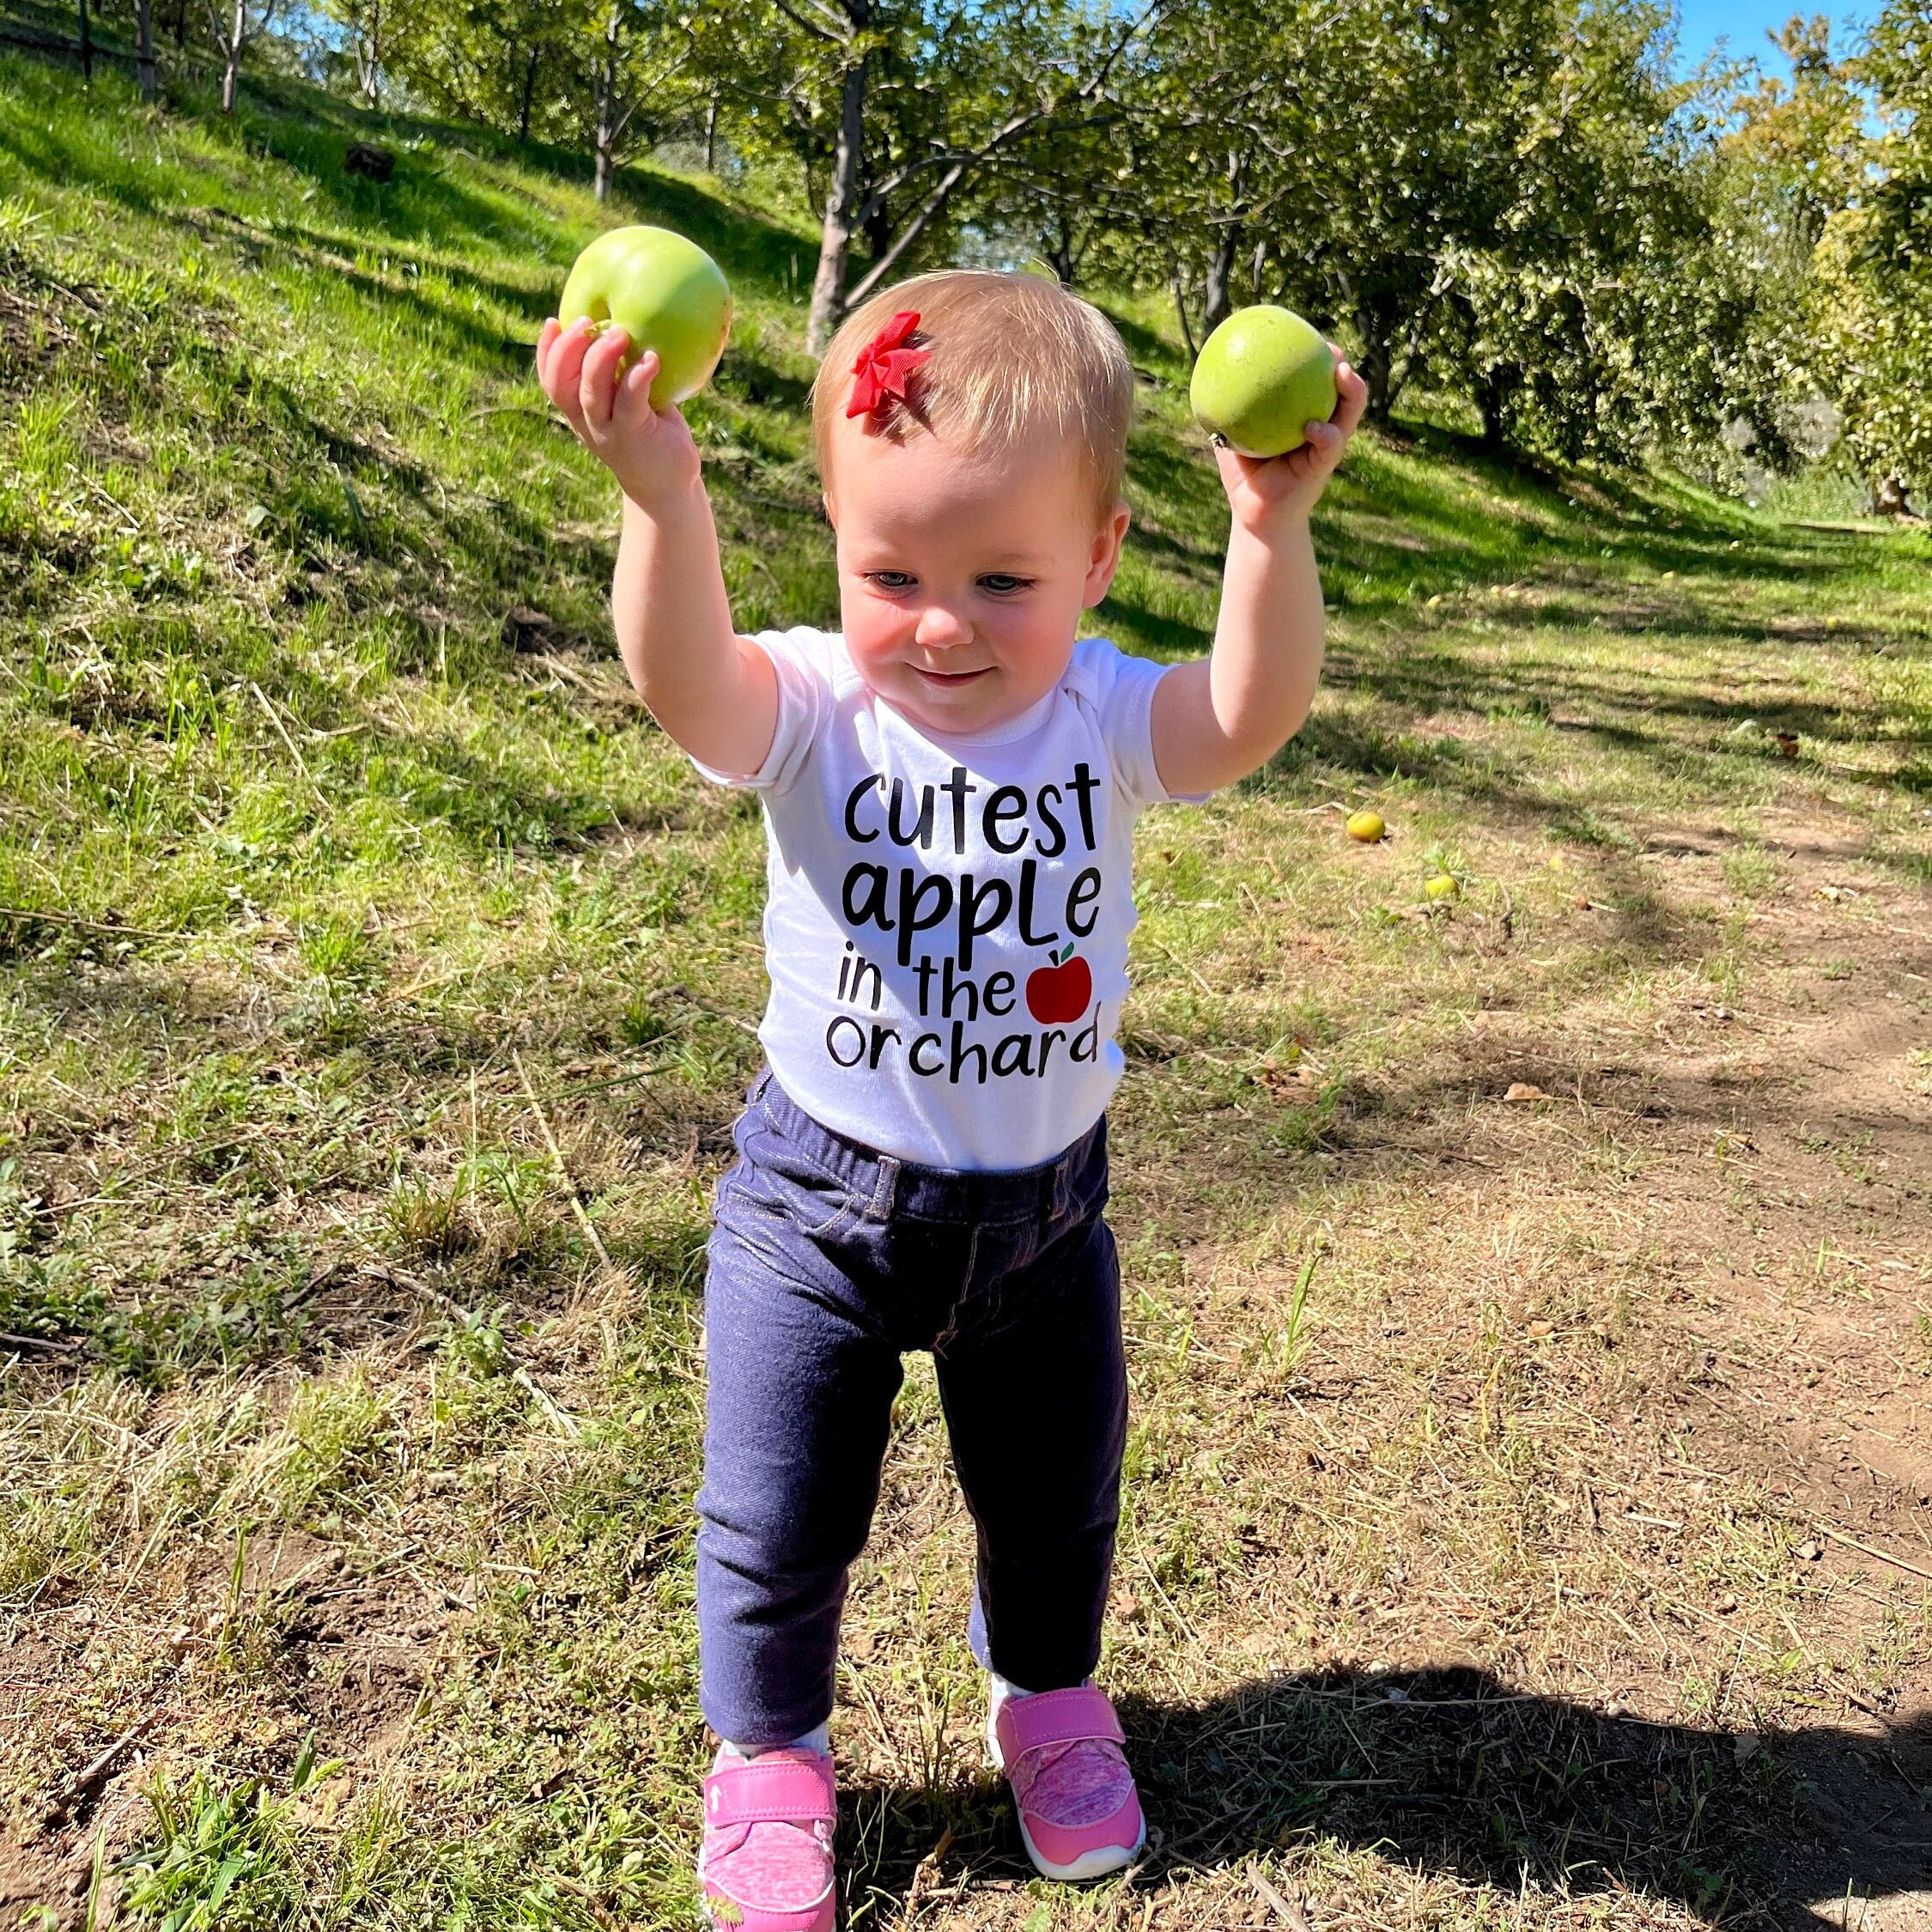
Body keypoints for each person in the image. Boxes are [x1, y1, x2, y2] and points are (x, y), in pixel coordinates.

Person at [536, 268, 1365, 1932]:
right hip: (813, 1212)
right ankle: (769, 1754)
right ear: (836, 547)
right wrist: (660, 497)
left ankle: (1050, 1703)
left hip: (1044, 1221)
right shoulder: (816, 706)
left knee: (1056, 1501)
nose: (941, 621)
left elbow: (1247, 718)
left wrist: (1272, 537)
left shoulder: (1108, 713)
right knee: (776, 1517)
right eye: (890, 571)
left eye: (1004, 578)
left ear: (1104, 558)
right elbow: (680, 680)